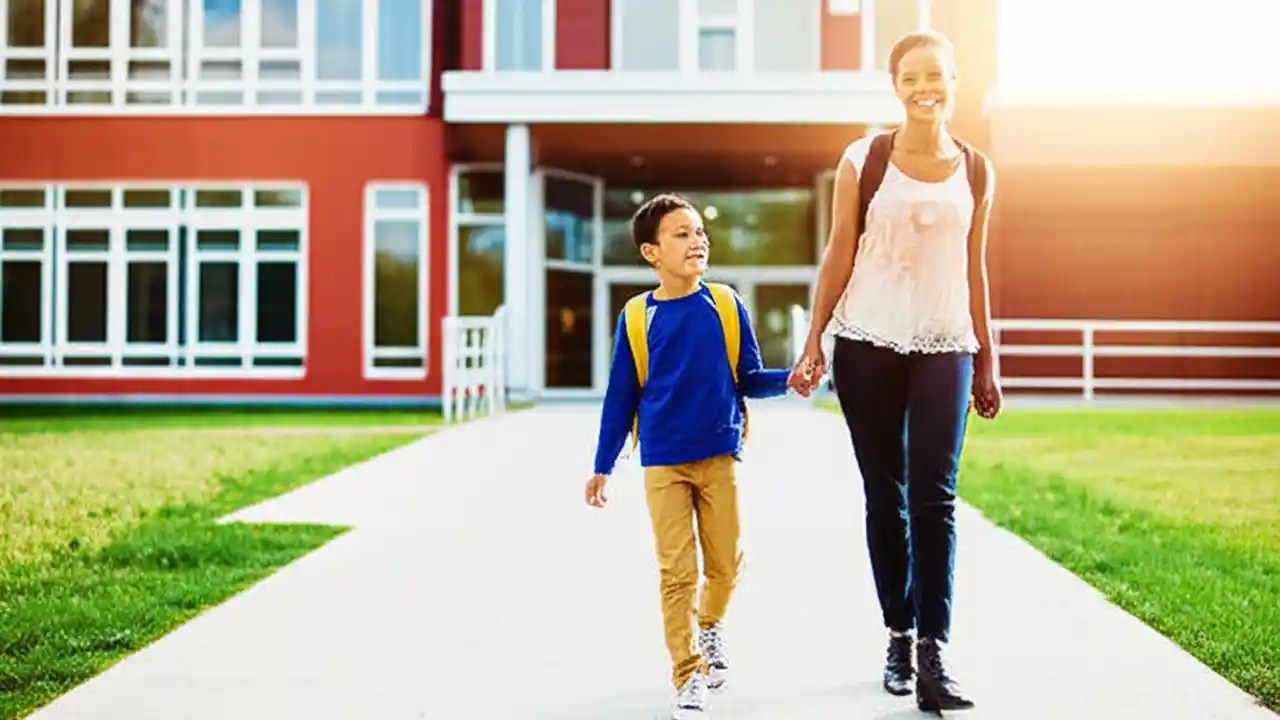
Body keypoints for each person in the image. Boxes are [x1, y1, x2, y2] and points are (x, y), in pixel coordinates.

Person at [788, 30, 1001, 713]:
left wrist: (988, 360)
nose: (924, 87)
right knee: (886, 493)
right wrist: (813, 339)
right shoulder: (865, 158)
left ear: (953, 81)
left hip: (946, 344)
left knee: (935, 496)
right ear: (896, 84)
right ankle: (898, 635)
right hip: (868, 341)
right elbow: (838, 252)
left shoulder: (977, 169)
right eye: (911, 77)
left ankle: (936, 652)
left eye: (935, 75)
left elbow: (976, 271)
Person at [585, 193, 790, 720]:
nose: (697, 239)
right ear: (652, 252)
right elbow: (620, 395)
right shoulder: (637, 316)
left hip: (720, 455)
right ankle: (688, 673)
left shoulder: (724, 305)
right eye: (681, 233)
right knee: (677, 572)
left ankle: (711, 624)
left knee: (725, 566)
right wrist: (603, 465)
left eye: (699, 230)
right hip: (663, 461)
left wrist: (794, 378)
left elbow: (749, 377)